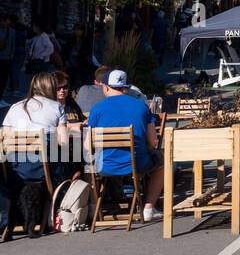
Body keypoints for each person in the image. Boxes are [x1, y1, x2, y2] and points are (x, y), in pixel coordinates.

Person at [84, 69, 165, 222]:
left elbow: (88, 145)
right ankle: (148, 208)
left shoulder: (96, 109)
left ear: (105, 87)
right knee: (162, 163)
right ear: (125, 87)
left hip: (105, 166)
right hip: (136, 164)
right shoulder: (141, 107)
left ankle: (94, 208)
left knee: (88, 165)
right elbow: (153, 142)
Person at [2, 72, 69, 236]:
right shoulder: (56, 107)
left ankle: (14, 220)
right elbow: (64, 142)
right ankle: (53, 214)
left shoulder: (15, 107)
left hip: (15, 169)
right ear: (51, 87)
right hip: (42, 169)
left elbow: (4, 138)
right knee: (66, 162)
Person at [0, 14, 15, 95]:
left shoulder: (12, 31)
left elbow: (13, 45)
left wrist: (11, 55)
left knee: (4, 77)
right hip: (7, 58)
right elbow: (13, 45)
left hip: (6, 58)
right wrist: (11, 55)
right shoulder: (12, 31)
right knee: (3, 77)